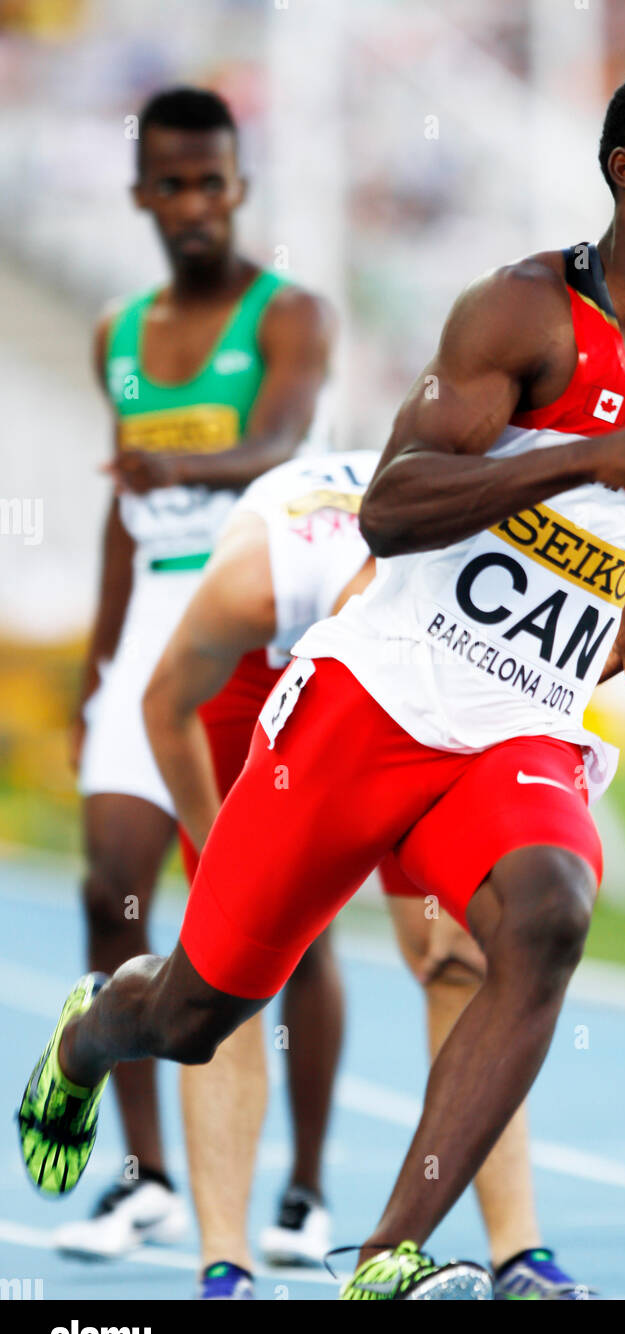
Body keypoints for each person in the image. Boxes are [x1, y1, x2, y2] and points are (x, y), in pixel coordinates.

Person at [20, 61, 625, 1300]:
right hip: (374, 701)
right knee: (195, 1013)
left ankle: (388, 1255)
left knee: (544, 914)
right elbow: (390, 506)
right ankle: (84, 1035)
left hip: (516, 728)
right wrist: (591, 451)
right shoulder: (522, 314)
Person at [145, 448, 590, 1299]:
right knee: (223, 986)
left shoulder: (443, 599)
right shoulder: (254, 586)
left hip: (421, 693)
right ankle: (223, 1266)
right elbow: (162, 709)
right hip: (249, 685)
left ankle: (518, 1254)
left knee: (458, 958)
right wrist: (234, 870)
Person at [61, 85, 335, 1258]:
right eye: (168, 184)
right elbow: (122, 522)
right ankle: (143, 1179)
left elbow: (278, 438)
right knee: (109, 884)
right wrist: (95, 661)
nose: (191, 204)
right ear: (139, 197)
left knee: (291, 920)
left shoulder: (290, 316)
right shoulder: (117, 335)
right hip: (152, 634)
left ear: (240, 188)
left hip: (264, 612)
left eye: (210, 181)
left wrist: (178, 456)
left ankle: (303, 1190)